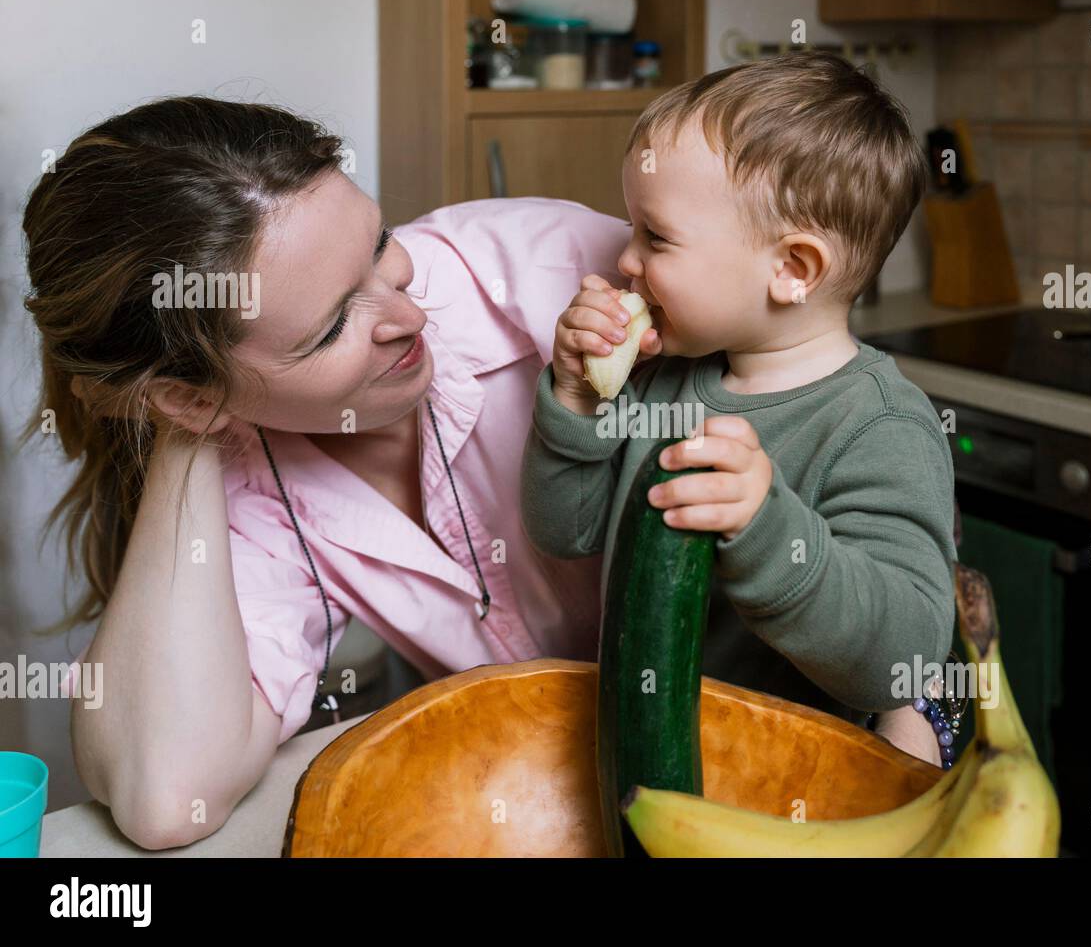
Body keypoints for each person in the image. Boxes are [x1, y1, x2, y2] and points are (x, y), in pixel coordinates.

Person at [22, 95, 938, 852]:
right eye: (334, 323)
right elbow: (166, 798)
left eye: (379, 245)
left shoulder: (569, 283)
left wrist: (910, 722)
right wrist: (183, 432)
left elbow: (843, 457)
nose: (406, 312)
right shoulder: (245, 478)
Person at [522, 52, 958, 768]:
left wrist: (766, 530)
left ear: (793, 270)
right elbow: (565, 532)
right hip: (642, 757)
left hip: (792, 783)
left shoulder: (880, 426)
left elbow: (900, 661)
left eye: (655, 237)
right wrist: (575, 398)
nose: (626, 262)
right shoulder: (661, 379)